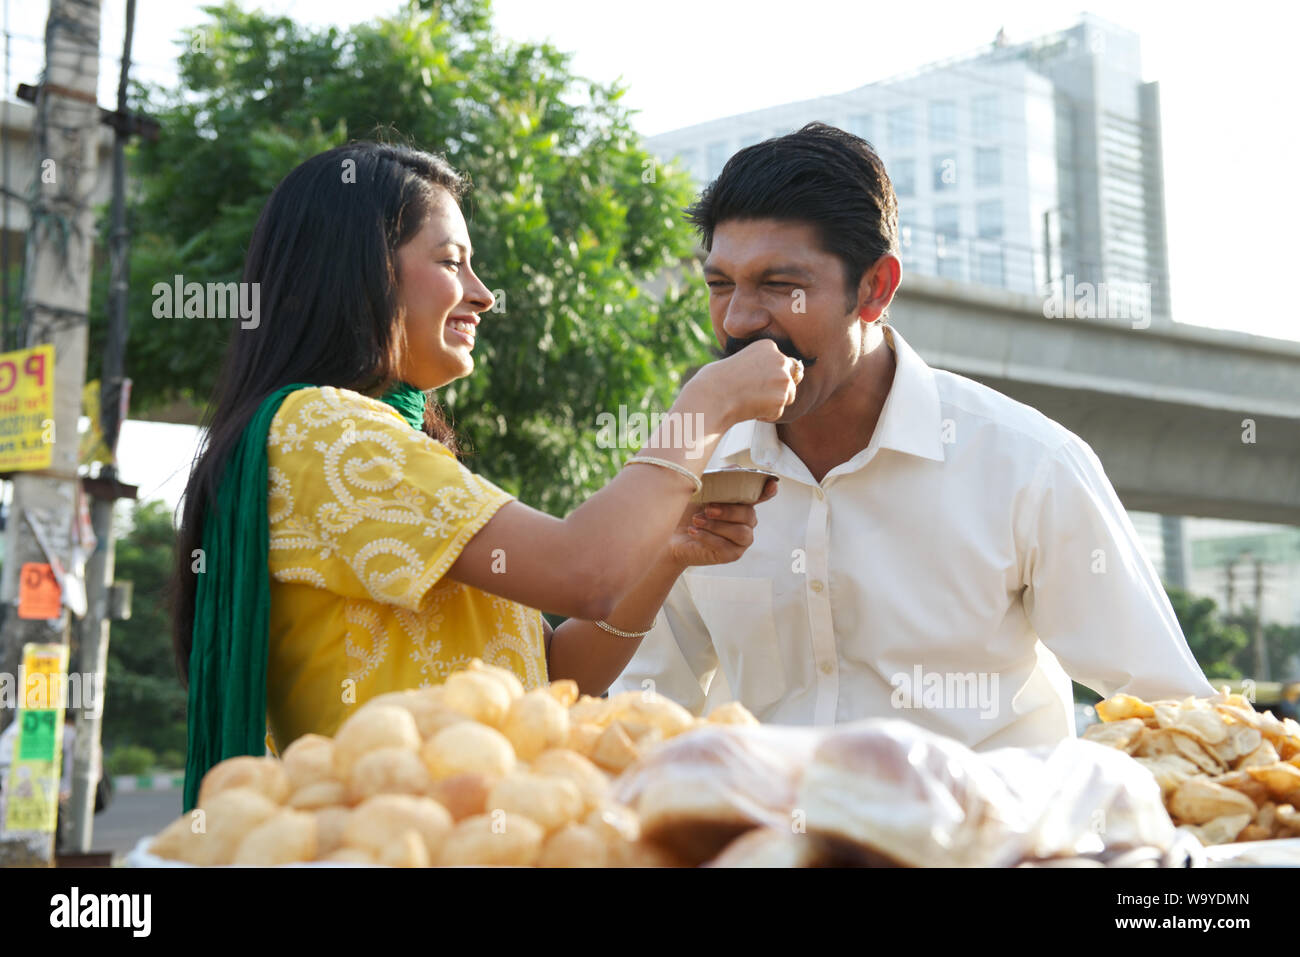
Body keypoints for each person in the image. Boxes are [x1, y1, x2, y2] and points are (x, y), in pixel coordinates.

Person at [172, 142, 799, 811]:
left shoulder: (379, 442)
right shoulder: (325, 430)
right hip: (398, 846)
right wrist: (705, 406)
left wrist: (669, 554)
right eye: (450, 262)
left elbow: (551, 679)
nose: (483, 293)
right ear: (357, 272)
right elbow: (584, 572)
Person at [610, 123, 1215, 750]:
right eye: (720, 284)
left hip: (983, 846)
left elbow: (1172, 715)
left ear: (875, 288)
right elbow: (639, 711)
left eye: (779, 286)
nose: (738, 320)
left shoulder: (1031, 466)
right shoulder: (686, 469)